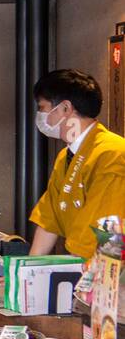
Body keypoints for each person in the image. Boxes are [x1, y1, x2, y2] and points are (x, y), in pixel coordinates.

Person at [29, 70, 125, 259]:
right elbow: (49, 221)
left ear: (65, 108)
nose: (40, 115)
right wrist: (25, 272)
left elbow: (102, 233)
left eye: (43, 107)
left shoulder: (112, 153)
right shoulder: (66, 155)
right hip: (81, 267)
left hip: (106, 273)